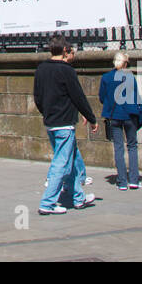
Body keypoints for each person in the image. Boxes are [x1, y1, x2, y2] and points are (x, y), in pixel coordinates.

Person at [33, 35, 98, 215]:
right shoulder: (66, 70)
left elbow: (37, 97)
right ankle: (47, 203)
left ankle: (78, 198)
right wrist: (91, 117)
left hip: (51, 122)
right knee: (61, 163)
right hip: (64, 124)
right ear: (64, 51)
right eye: (70, 51)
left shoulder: (41, 69)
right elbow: (78, 97)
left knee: (71, 159)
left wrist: (47, 112)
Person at [98, 51, 142, 192]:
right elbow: (135, 97)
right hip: (129, 116)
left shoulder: (106, 77)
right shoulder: (129, 77)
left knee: (118, 147)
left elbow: (102, 97)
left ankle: (122, 181)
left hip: (114, 116)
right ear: (124, 63)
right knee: (132, 146)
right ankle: (134, 180)